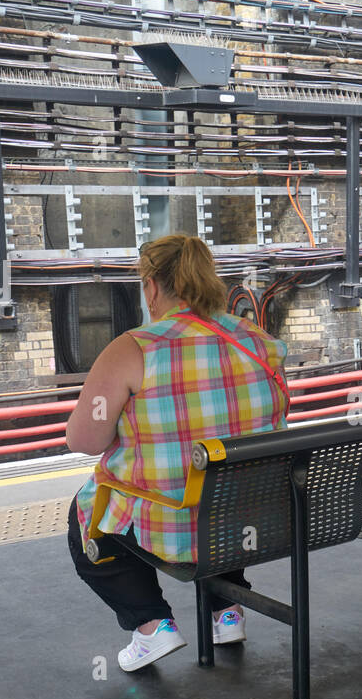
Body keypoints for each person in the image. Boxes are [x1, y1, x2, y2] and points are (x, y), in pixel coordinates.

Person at [66, 234, 289, 672]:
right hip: (256, 515)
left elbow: (86, 441)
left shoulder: (133, 348)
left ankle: (152, 627)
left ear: (150, 286)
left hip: (175, 527)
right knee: (227, 484)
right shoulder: (258, 340)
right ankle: (226, 612)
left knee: (87, 515)